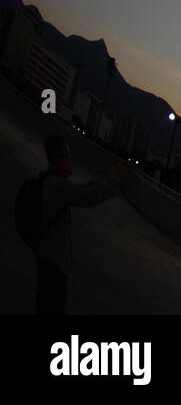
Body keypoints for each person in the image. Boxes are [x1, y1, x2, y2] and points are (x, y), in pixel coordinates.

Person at [35, 134, 126, 315]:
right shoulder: (55, 185)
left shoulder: (51, 180)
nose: (70, 159)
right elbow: (85, 197)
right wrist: (113, 181)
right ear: (55, 158)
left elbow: (80, 190)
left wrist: (104, 180)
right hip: (53, 262)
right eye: (66, 155)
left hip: (47, 258)